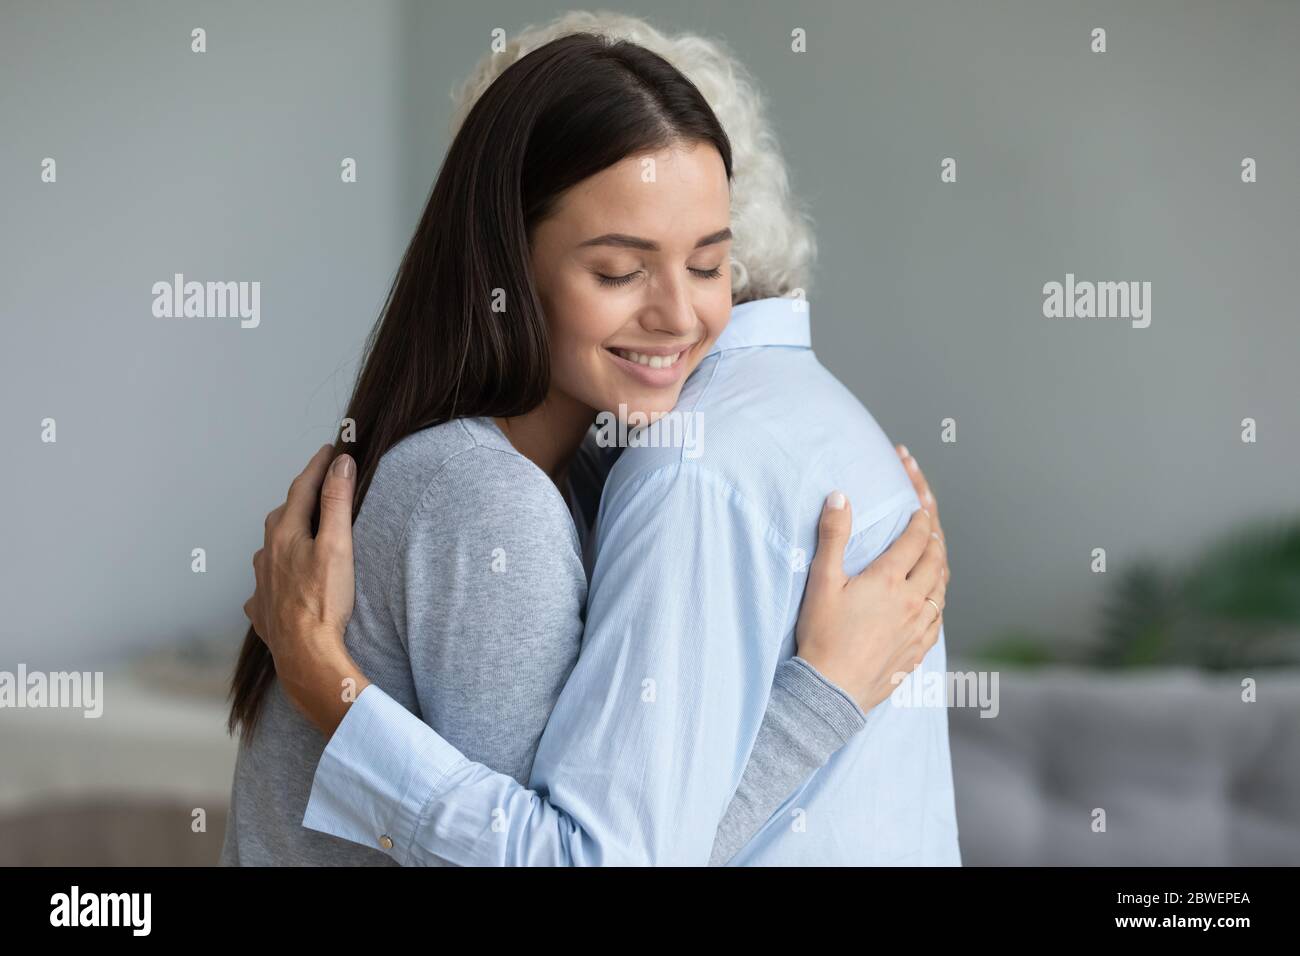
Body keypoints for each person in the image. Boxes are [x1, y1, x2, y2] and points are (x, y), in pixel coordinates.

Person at [222, 31, 949, 867]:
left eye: (709, 265)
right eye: (618, 272)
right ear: (508, 264)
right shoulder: (486, 496)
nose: (678, 314)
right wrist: (827, 694)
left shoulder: (564, 472)